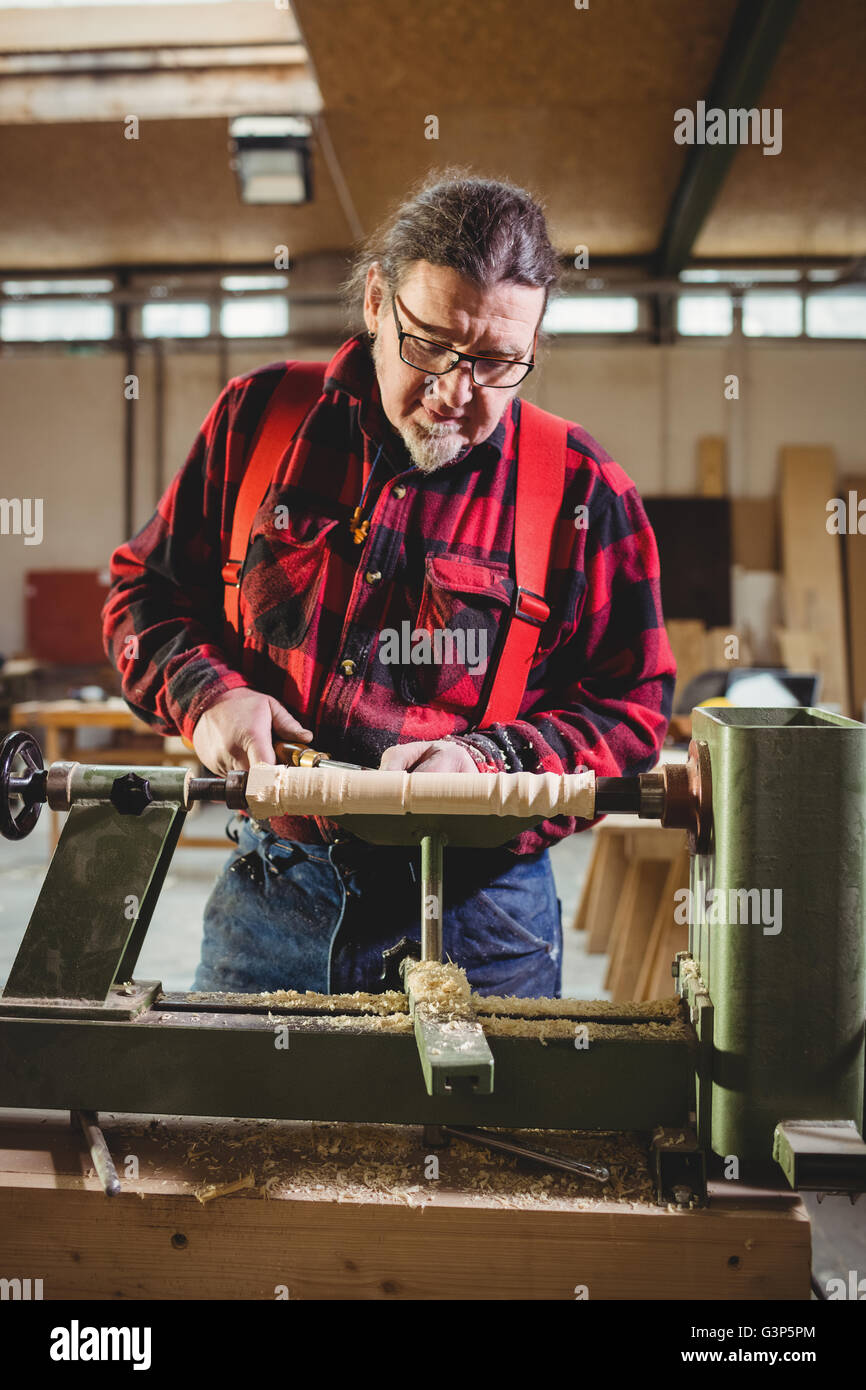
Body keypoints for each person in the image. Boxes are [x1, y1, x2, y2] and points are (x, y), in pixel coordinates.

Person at [102, 170, 675, 999]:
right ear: (376, 302)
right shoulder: (259, 421)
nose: (453, 393)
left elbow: (632, 709)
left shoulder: (582, 488)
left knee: (483, 1133)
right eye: (430, 345)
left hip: (483, 920)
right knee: (244, 1126)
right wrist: (208, 695)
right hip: (273, 892)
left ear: (534, 347)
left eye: (496, 362)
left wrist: (489, 763)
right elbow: (145, 598)